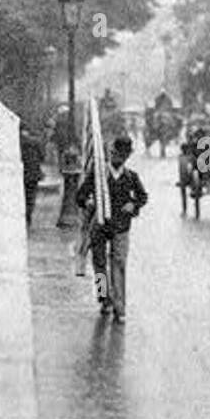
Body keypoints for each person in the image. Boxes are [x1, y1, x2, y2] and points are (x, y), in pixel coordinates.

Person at [75, 135, 148, 323]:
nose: (118, 158)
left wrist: (133, 205)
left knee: (119, 264)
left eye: (123, 155)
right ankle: (103, 298)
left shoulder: (131, 177)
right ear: (110, 152)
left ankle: (120, 307)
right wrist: (88, 201)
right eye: (116, 153)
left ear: (127, 157)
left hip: (121, 226)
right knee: (99, 264)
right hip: (99, 226)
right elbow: (80, 195)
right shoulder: (98, 175)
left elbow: (143, 197)